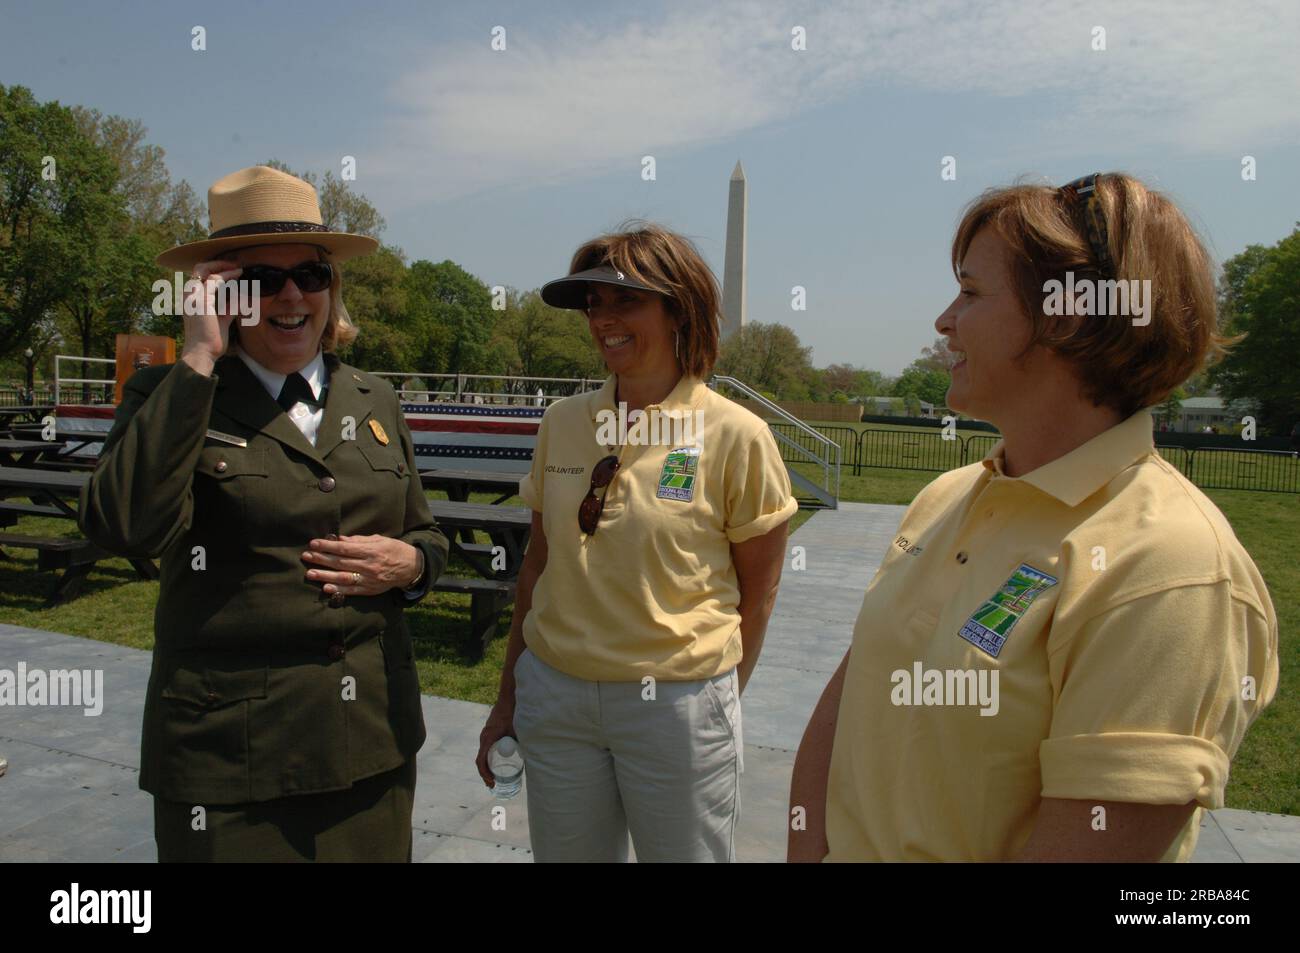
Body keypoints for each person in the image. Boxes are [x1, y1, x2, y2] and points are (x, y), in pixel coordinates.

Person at [791, 172, 1278, 862]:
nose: (943, 319)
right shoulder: (950, 495)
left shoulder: (1170, 568)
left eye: (970, 291)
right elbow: (849, 701)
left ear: (1067, 314)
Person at [80, 166, 449, 862]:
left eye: (309, 275)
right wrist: (197, 356)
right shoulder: (172, 392)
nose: (289, 296)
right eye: (259, 280)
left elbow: (424, 535)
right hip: (230, 765)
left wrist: (413, 565)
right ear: (219, 292)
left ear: (331, 288)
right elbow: (120, 527)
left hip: (370, 746)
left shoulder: (374, 399)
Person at [474, 223, 796, 862]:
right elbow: (538, 567)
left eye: (626, 300)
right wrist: (508, 697)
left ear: (680, 307)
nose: (603, 319)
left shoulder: (737, 435)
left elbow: (758, 595)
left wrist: (711, 703)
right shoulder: (563, 423)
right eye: (594, 303)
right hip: (557, 699)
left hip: (675, 709)